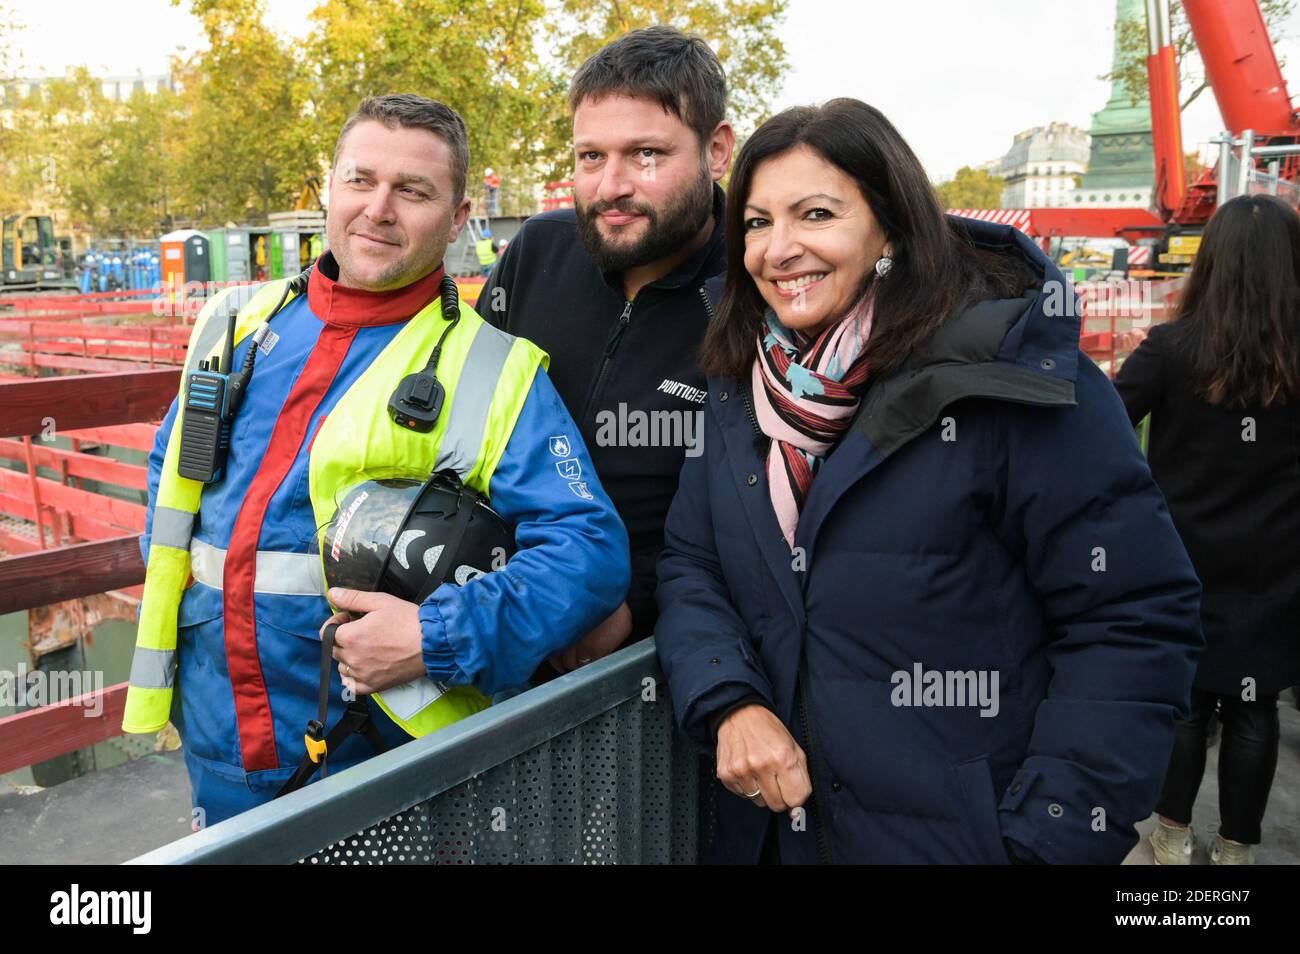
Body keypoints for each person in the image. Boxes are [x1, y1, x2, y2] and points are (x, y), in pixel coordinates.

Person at [654, 98, 1203, 864]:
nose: (778, 249)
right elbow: (693, 564)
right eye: (755, 222)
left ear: (892, 226)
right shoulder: (735, 389)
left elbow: (1132, 620)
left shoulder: (1005, 379)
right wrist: (730, 700)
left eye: (815, 214)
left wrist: (1044, 839)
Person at [124, 94, 629, 826]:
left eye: (413, 191)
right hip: (215, 740)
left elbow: (590, 554)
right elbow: (172, 493)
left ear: (458, 219)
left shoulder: (493, 369)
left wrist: (437, 638)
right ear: (330, 186)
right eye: (360, 180)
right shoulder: (233, 324)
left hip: (386, 765)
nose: (379, 209)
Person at [482, 26, 734, 671]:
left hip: (656, 664)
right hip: (494, 613)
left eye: (646, 154)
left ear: (718, 149)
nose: (611, 185)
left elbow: (767, 515)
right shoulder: (537, 250)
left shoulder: (762, 289)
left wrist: (631, 606)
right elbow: (463, 426)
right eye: (591, 157)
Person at [1114, 194, 1300, 865]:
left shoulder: (1171, 348)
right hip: (1278, 570)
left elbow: (1103, 426)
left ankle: (1170, 834)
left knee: (1186, 703)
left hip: (1181, 561)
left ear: (1213, 262)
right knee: (1255, 709)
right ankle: (1236, 848)